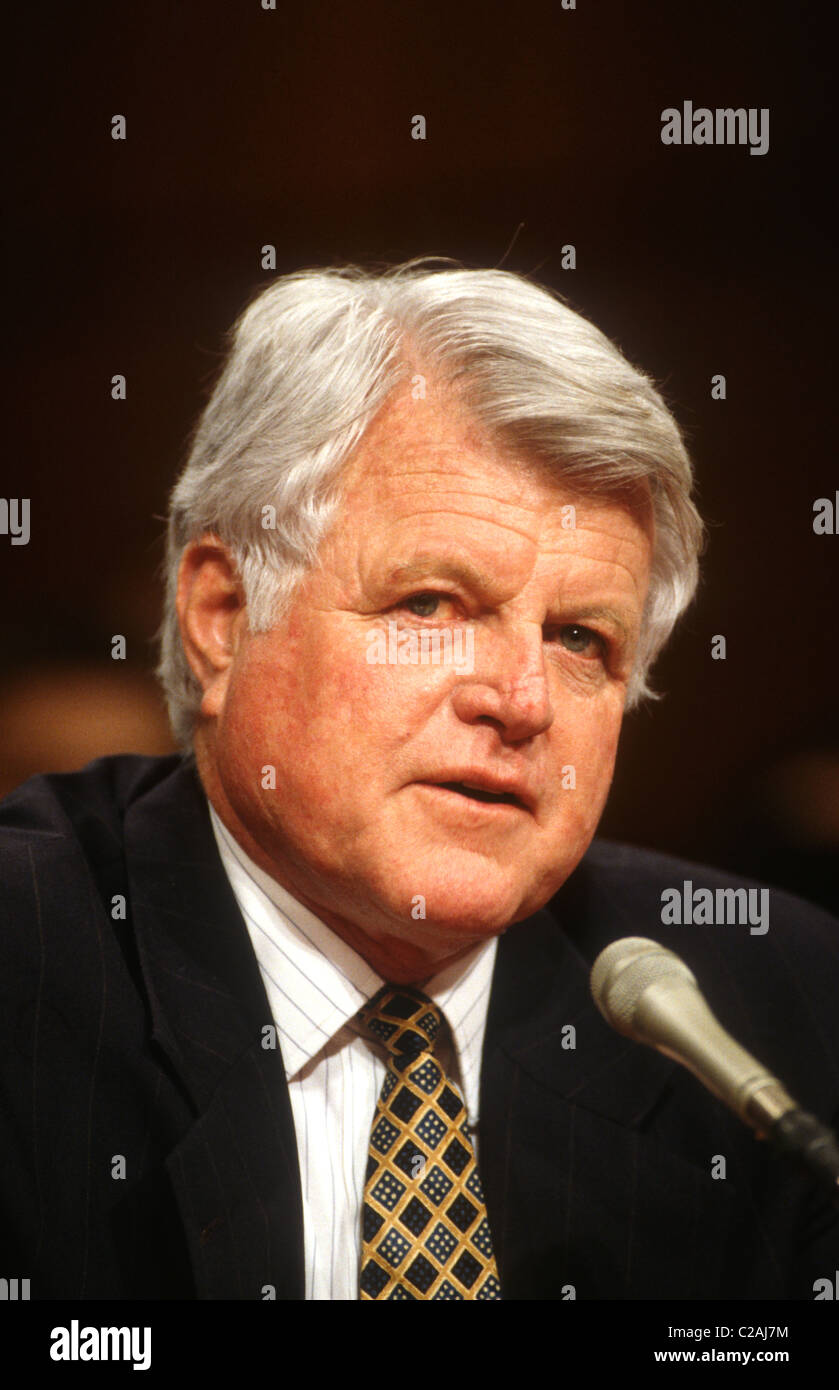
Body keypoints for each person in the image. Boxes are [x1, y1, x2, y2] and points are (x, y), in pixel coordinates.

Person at [1, 261, 837, 1301]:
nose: (521, 700)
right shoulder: (26, 964)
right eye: (431, 604)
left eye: (580, 636)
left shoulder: (782, 1012)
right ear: (223, 618)